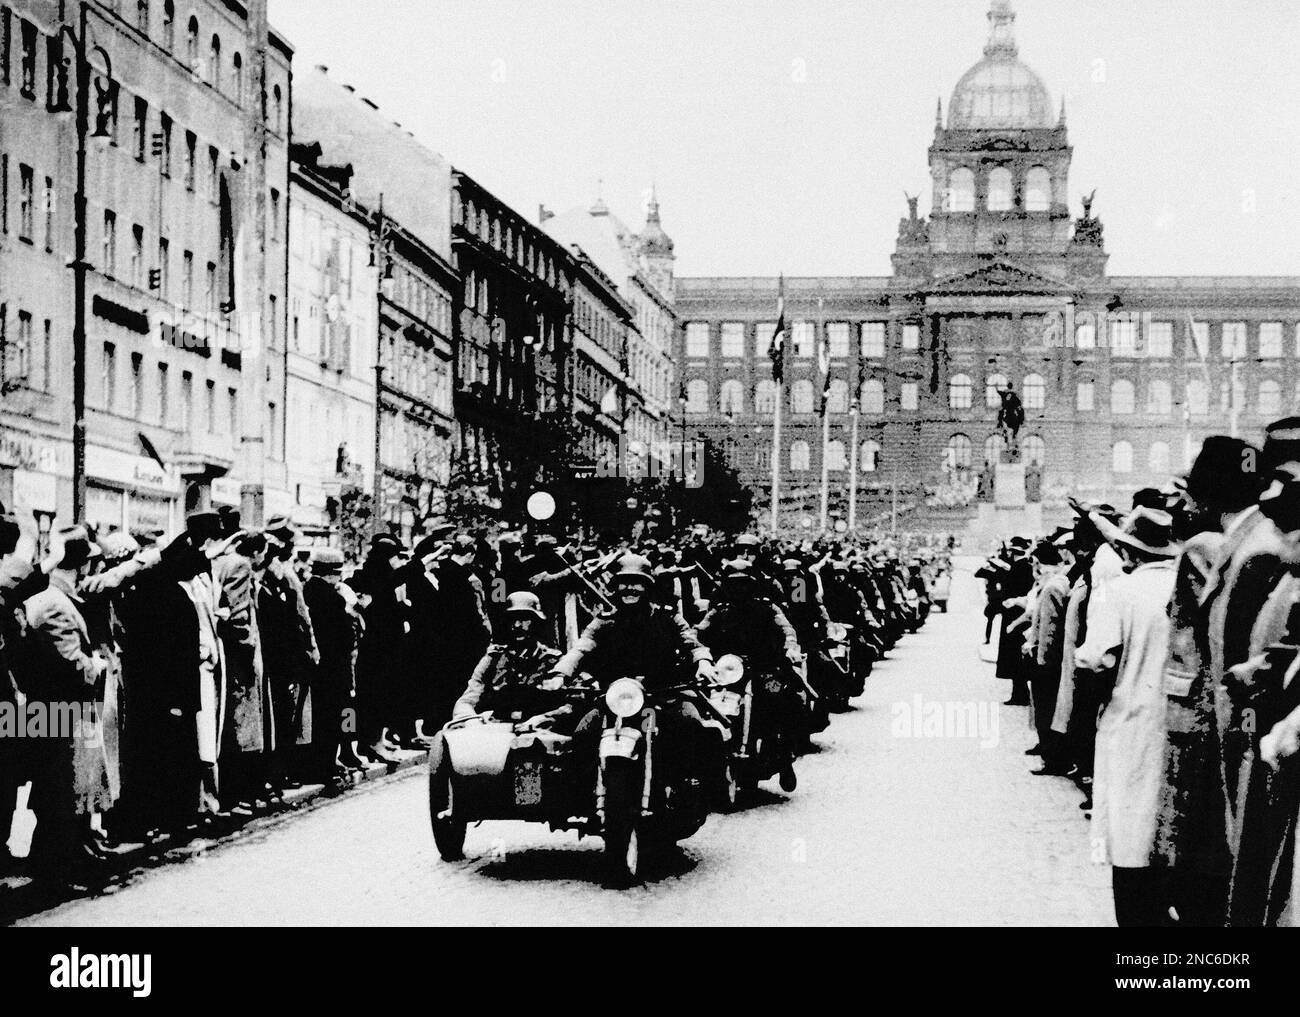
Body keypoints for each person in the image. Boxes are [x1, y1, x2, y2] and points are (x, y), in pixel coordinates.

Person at [1075, 507, 1181, 926]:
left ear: (1130, 552)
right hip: (1178, 725)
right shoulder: (1189, 585)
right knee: (1167, 824)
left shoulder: (1120, 591)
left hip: (1131, 721)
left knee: (1128, 832)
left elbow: (1094, 658)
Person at [553, 554, 718, 794]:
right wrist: (561, 673)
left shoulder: (667, 617)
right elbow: (581, 648)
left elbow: (691, 641)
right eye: (623, 582)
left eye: (637, 582)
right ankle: (587, 793)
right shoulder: (604, 621)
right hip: (615, 700)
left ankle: (687, 784)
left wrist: (703, 662)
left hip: (662, 696)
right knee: (583, 732)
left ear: (648, 586)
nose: (629, 588)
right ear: (615, 587)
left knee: (689, 724)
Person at [22, 526, 109, 888]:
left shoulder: (53, 600)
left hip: (59, 713)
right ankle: (58, 871)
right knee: (64, 794)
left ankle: (62, 863)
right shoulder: (56, 605)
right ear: (80, 566)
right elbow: (72, 665)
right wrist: (96, 666)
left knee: (64, 794)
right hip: (64, 714)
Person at [694, 560, 805, 791]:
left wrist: (791, 647)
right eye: (733, 584)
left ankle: (784, 759)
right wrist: (694, 649)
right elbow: (699, 631)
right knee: (702, 703)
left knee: (784, 700)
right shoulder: (719, 611)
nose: (739, 589)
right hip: (728, 672)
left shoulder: (767, 608)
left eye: (743, 584)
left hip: (764, 670)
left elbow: (786, 629)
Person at [450, 592, 570, 728]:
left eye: (525, 619)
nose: (517, 625)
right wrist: (470, 720)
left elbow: (575, 702)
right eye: (512, 619)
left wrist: (546, 718)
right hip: (498, 733)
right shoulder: (494, 659)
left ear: (537, 623)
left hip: (539, 737)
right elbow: (467, 701)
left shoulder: (555, 662)